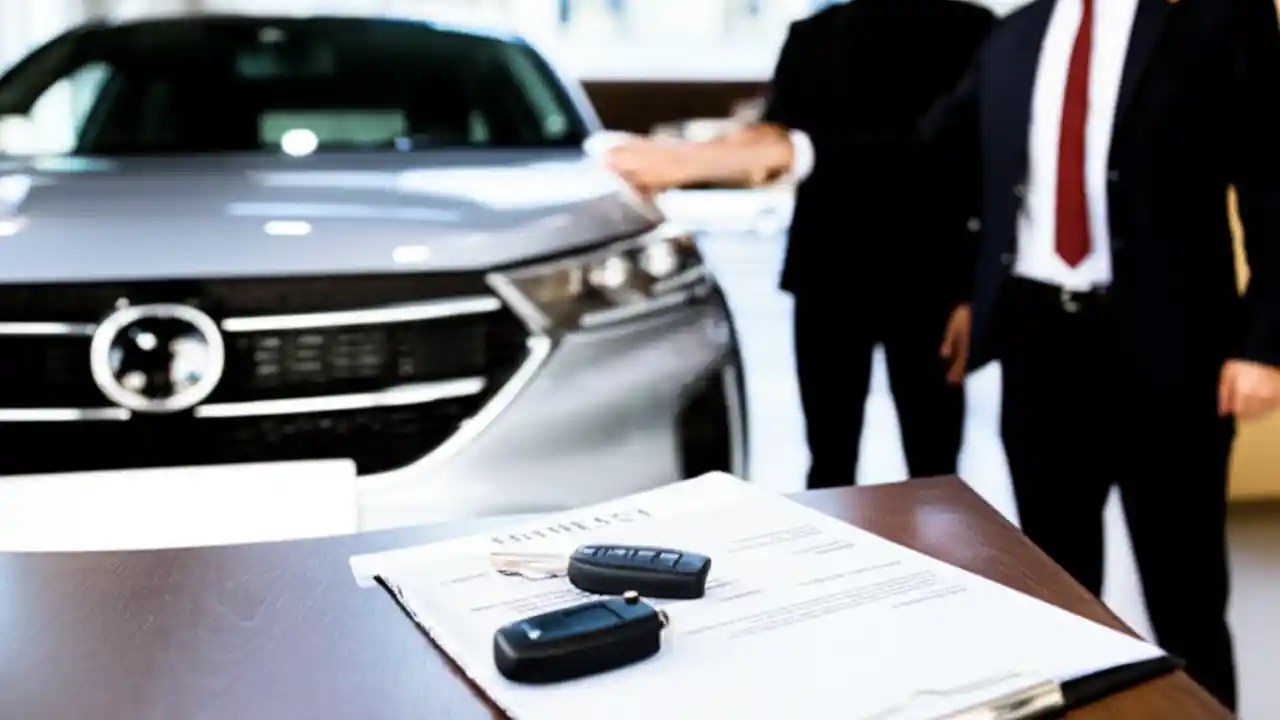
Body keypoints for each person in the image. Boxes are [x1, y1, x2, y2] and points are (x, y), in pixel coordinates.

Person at [609, 0, 996, 490]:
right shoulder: (813, 33)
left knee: (934, 465)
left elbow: (967, 161)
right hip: (828, 274)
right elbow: (777, 132)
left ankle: (938, 566)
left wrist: (969, 292)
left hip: (928, 278)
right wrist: (719, 152)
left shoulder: (968, 28)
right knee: (829, 456)